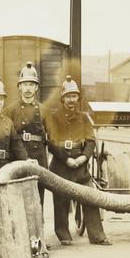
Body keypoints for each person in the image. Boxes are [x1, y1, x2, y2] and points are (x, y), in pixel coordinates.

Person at [48, 76, 112, 246]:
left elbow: (91, 141)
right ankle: (63, 234)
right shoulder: (54, 117)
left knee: (89, 197)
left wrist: (83, 157)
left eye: (74, 96)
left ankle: (97, 236)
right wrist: (67, 159)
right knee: (61, 200)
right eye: (68, 96)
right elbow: (52, 143)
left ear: (78, 98)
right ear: (62, 98)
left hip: (80, 167)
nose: (71, 100)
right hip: (61, 166)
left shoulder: (84, 118)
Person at [2, 62, 50, 208]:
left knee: (37, 198)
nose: (28, 88)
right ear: (19, 87)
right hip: (17, 157)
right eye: (25, 84)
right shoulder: (9, 111)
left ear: (36, 88)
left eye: (31, 84)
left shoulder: (44, 110)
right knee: (17, 197)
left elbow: (52, 137)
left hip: (38, 157)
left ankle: (38, 229)